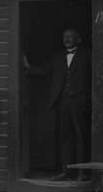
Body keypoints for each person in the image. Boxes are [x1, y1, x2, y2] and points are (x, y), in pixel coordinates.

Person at [24, 28, 92, 180]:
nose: (67, 39)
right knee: (65, 138)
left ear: (78, 39)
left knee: (81, 136)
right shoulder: (58, 57)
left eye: (70, 37)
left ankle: (83, 172)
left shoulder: (87, 54)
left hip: (80, 101)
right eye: (65, 37)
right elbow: (45, 71)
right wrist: (28, 67)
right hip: (63, 102)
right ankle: (66, 172)